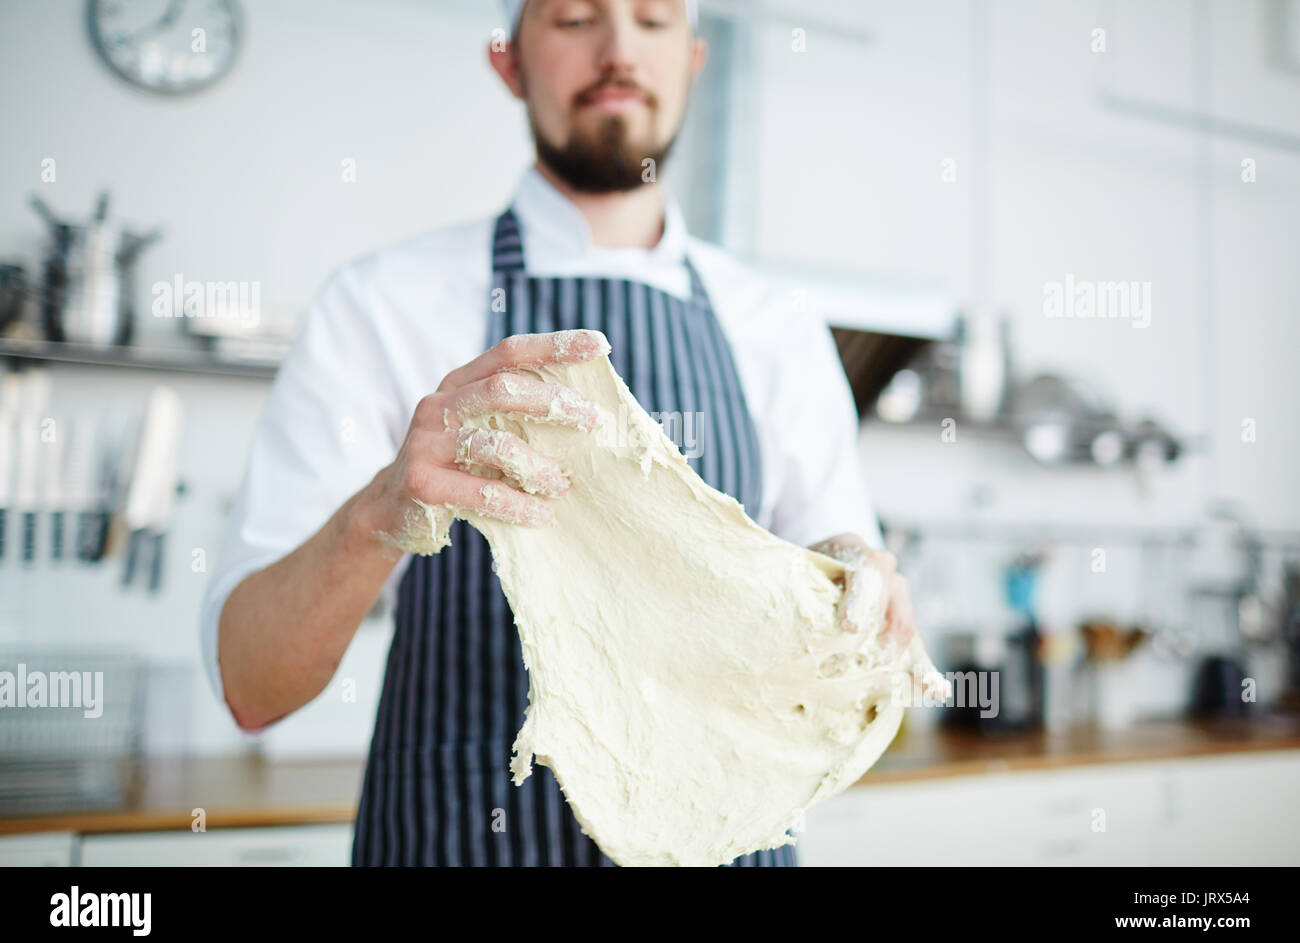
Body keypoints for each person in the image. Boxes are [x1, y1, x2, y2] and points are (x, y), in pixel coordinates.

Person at [200, 0, 934, 867]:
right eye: (577, 17)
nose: (619, 50)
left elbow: (855, 614)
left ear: (693, 60)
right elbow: (251, 686)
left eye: (654, 21)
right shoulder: (383, 303)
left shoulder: (775, 326)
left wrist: (861, 591)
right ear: (508, 61)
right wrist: (379, 511)